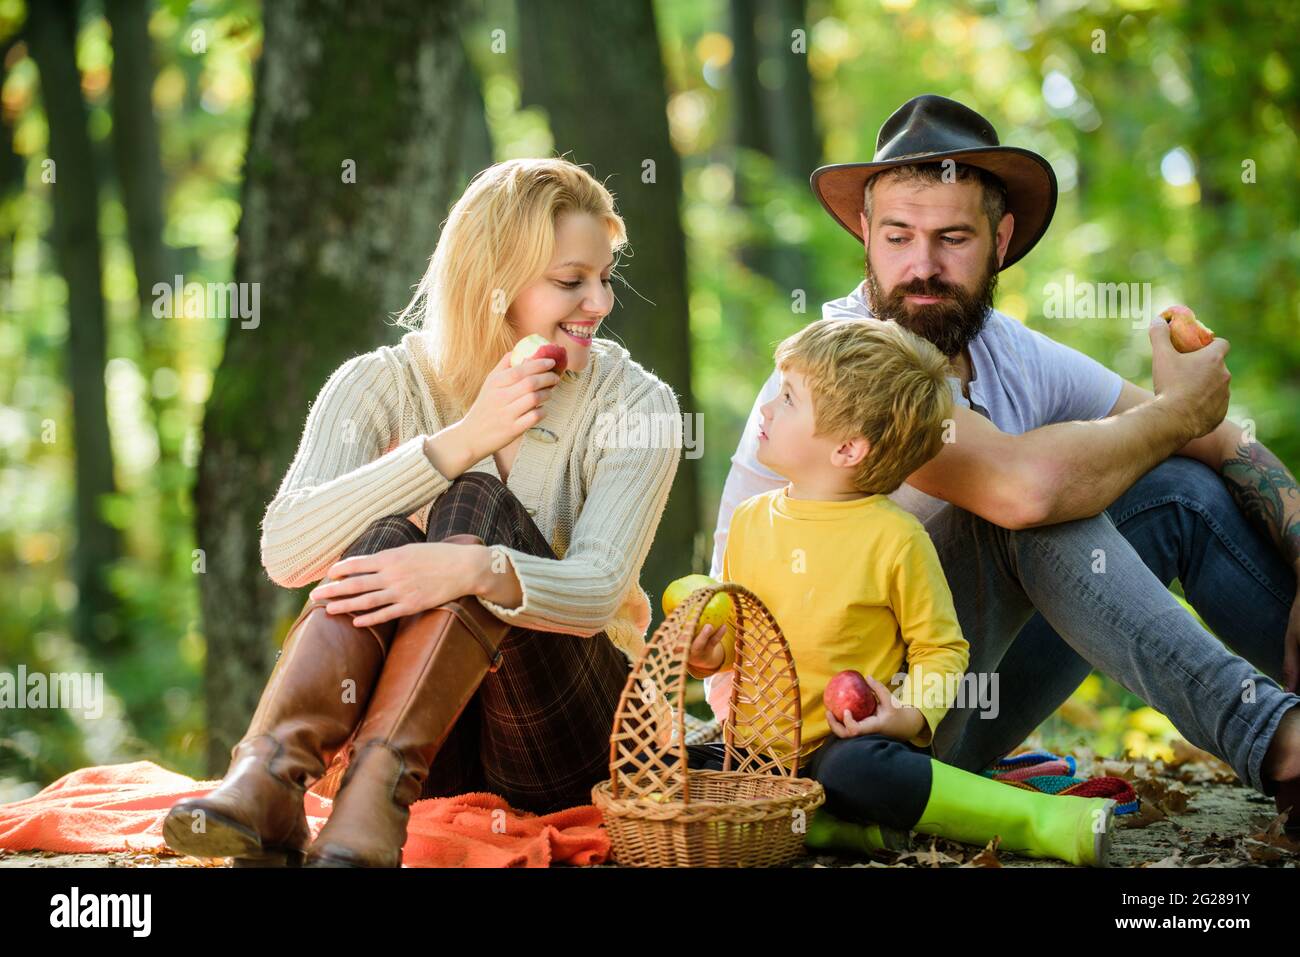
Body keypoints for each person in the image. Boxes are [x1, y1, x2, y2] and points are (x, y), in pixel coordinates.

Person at [708, 94, 1300, 832]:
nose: (921, 266)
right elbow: (1023, 492)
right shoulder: (842, 365)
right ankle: (1283, 745)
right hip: (841, 743)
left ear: (1001, 236)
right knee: (1024, 510)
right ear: (864, 232)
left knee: (1177, 488)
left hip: (951, 695)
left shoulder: (1008, 349)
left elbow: (1219, 439)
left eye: (953, 236)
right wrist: (1177, 411)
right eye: (897, 236)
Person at [163, 157, 682, 867]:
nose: (599, 301)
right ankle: (272, 778)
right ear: (492, 282)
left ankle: (343, 798)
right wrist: (461, 440)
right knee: (382, 533)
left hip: (573, 741)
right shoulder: (379, 385)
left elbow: (596, 590)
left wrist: (468, 568)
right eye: (571, 281)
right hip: (430, 756)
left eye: (603, 277)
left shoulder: (632, 403)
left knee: (474, 504)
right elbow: (286, 550)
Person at [685, 317, 1117, 865]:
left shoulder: (893, 538)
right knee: (674, 770)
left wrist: (907, 714)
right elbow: (743, 643)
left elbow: (942, 650)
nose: (765, 410)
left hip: (842, 746)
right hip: (754, 758)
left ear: (848, 448)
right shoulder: (750, 521)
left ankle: (1041, 819)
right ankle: (842, 832)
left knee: (857, 772)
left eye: (788, 399)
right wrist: (709, 658)